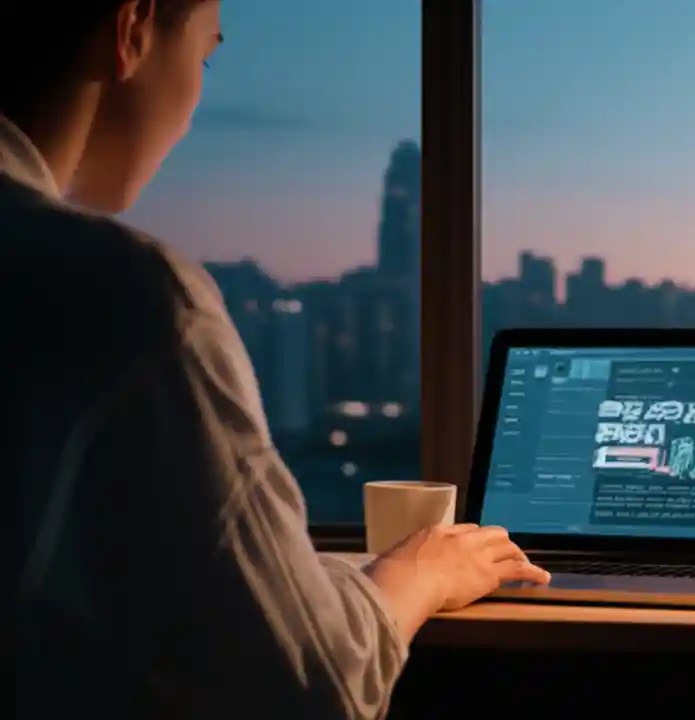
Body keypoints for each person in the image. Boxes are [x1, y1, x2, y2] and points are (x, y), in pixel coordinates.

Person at [3, 2, 549, 718]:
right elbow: (308, 687)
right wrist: (420, 574)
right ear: (131, 30)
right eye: (205, 56)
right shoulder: (122, 296)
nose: (195, 103)